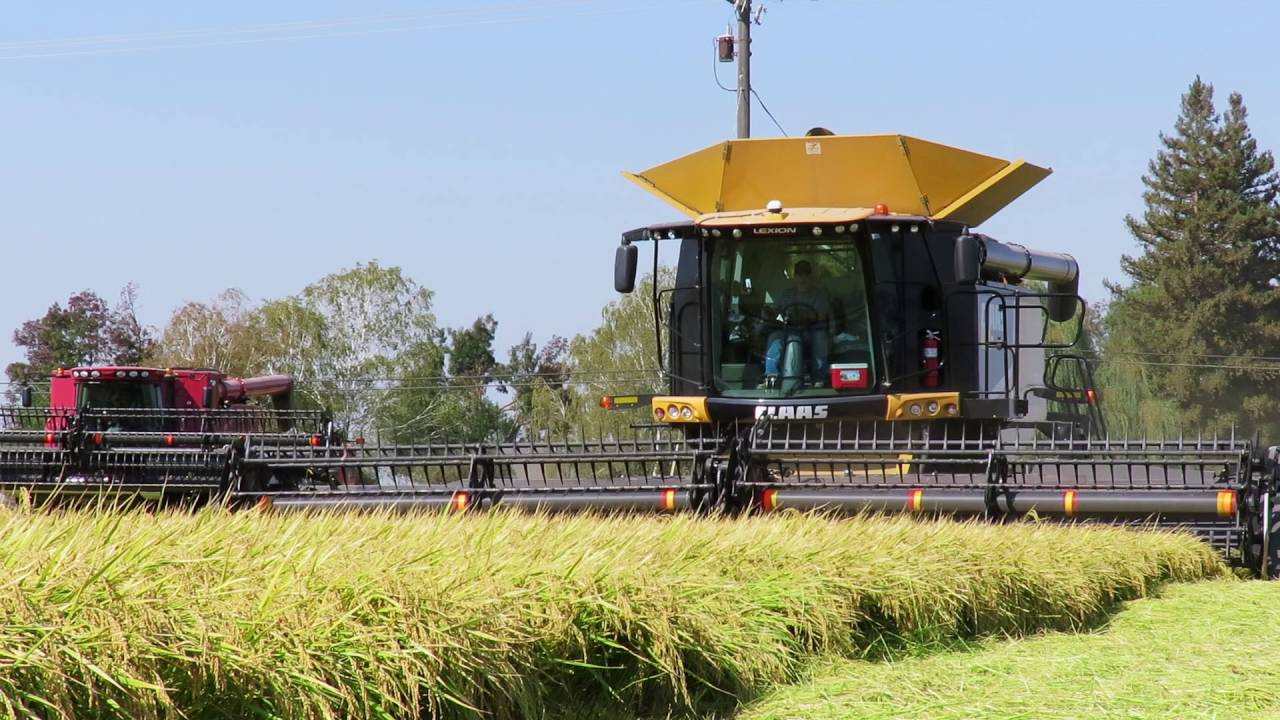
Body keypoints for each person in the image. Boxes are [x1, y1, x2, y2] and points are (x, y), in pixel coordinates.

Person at [763, 260, 833, 388]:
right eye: (799, 274)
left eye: (806, 274)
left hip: (811, 331)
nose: (803, 278)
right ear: (794, 277)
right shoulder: (786, 294)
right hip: (788, 330)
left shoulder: (820, 294)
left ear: (812, 276)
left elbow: (822, 315)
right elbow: (777, 310)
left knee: (820, 337)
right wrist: (769, 312)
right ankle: (771, 377)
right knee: (774, 337)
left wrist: (805, 316)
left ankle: (819, 378)